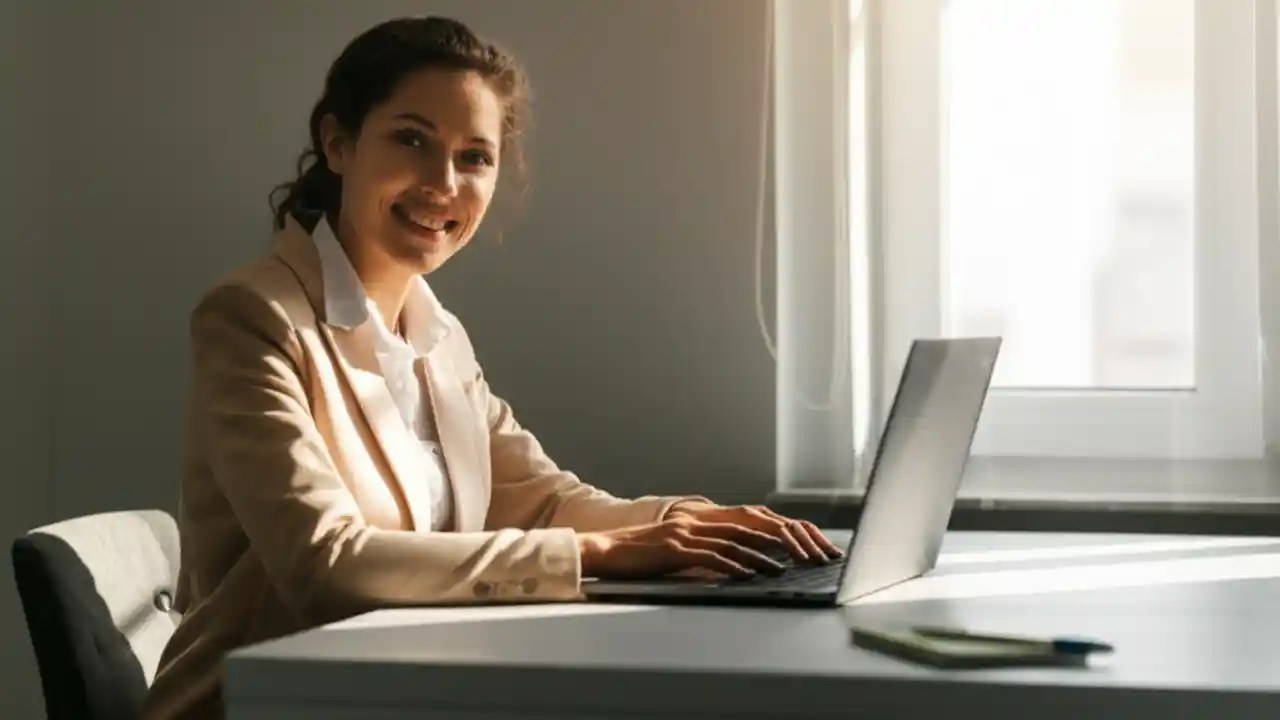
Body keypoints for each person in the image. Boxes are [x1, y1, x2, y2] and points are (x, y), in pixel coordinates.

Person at [143, 16, 841, 719]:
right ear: (338, 143)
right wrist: (599, 553)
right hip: (257, 706)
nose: (443, 183)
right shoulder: (251, 317)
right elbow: (324, 564)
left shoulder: (439, 338)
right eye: (412, 140)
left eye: (474, 157)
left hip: (404, 693)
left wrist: (691, 521)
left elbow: (542, 499)